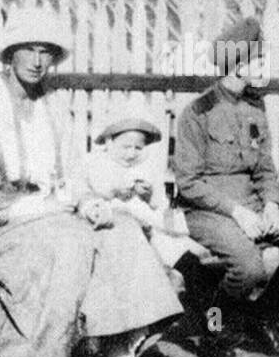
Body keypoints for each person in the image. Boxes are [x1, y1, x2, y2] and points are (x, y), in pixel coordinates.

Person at [0, 6, 182, 357]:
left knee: (121, 230)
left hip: (52, 212)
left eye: (45, 51)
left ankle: (99, 355)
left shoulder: (54, 105)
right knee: (74, 243)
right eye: (28, 49)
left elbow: (72, 176)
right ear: (9, 53)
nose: (36, 61)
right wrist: (48, 205)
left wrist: (87, 203)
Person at [173, 16, 279, 357]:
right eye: (258, 60)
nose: (264, 67)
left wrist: (271, 205)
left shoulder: (256, 107)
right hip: (209, 211)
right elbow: (188, 183)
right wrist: (237, 212)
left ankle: (262, 317)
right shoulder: (197, 112)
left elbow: (265, 167)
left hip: (255, 207)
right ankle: (214, 333)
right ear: (237, 64)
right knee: (249, 267)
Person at [85, 113, 201, 281]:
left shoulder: (146, 168)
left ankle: (204, 286)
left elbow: (160, 204)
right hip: (115, 223)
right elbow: (100, 190)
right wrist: (125, 189)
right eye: (126, 147)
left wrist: (149, 196)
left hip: (151, 226)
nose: (131, 154)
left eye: (138, 148)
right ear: (110, 143)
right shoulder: (100, 164)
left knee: (174, 249)